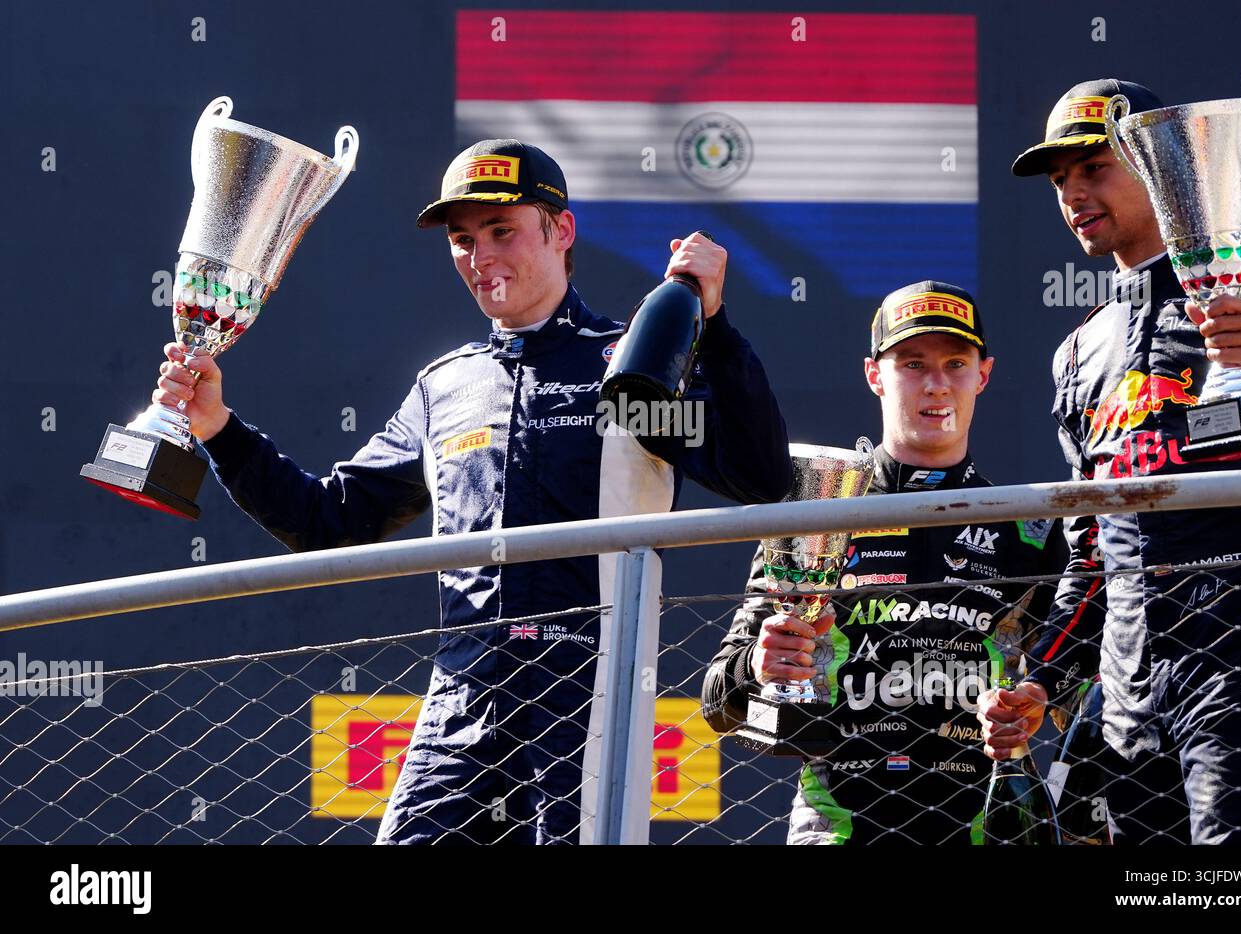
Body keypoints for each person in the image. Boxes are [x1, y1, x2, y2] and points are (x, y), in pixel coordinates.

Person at [153, 139, 794, 844]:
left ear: (562, 230)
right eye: (462, 239)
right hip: (461, 701)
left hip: (588, 700)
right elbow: (327, 521)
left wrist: (717, 326)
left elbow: (758, 477)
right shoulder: (446, 387)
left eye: (501, 230)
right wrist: (217, 428)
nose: (480, 255)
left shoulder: (628, 369)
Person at [979, 79, 1241, 844]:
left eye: (1094, 168)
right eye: (1060, 181)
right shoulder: (1079, 351)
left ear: (1159, 165)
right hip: (1126, 694)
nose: (1073, 194)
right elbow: (1093, 550)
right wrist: (1042, 678)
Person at [702, 281, 1069, 844]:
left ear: (983, 375)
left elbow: (1074, 683)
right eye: (912, 364)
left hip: (978, 827)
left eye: (954, 363)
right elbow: (717, 705)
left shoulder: (1026, 528)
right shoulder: (818, 512)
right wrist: (759, 664)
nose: (936, 384)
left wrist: (1034, 701)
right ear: (875, 374)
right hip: (838, 829)